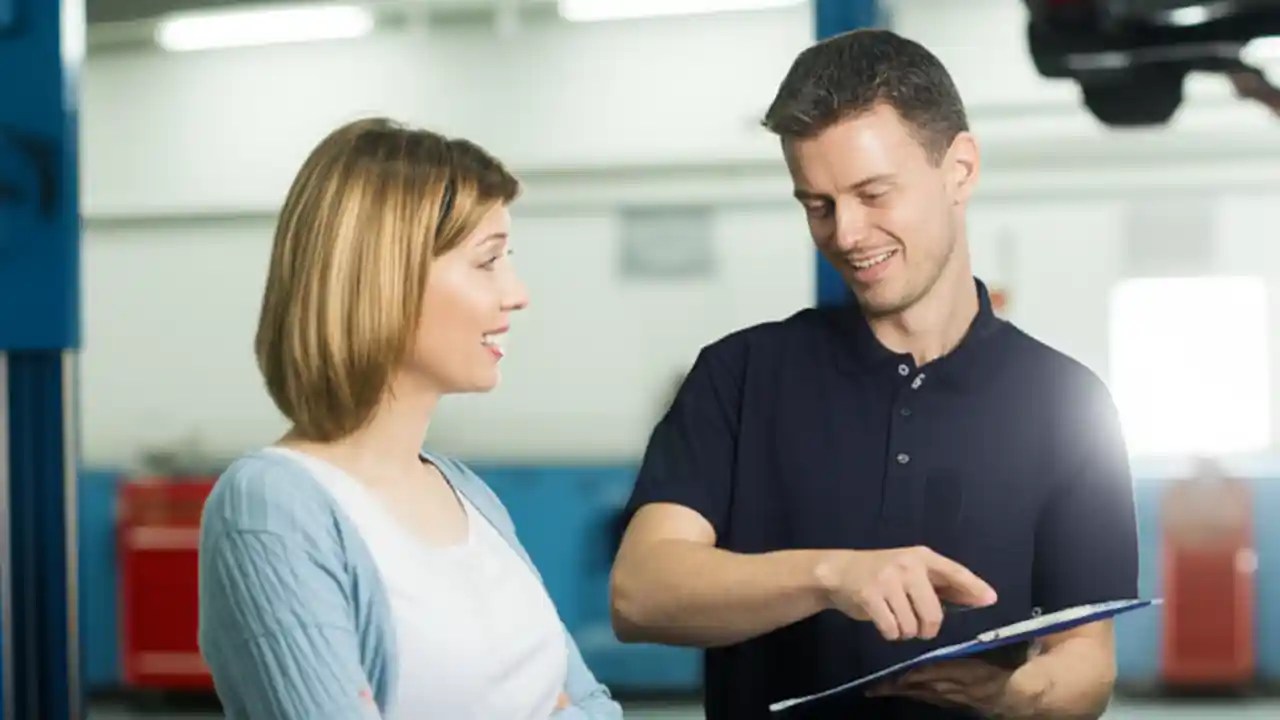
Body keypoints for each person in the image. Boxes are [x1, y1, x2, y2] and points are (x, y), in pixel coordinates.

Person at [609, 29, 1138, 720]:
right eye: (817, 204)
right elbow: (639, 593)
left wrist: (1013, 695)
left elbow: (1086, 660)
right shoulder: (739, 376)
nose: (847, 233)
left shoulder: (1069, 403)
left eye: (873, 193)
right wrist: (833, 576)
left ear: (960, 170)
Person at [197, 117, 623, 720]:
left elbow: (591, 704)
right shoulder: (271, 509)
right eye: (488, 261)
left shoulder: (466, 493)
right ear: (385, 278)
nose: (517, 292)